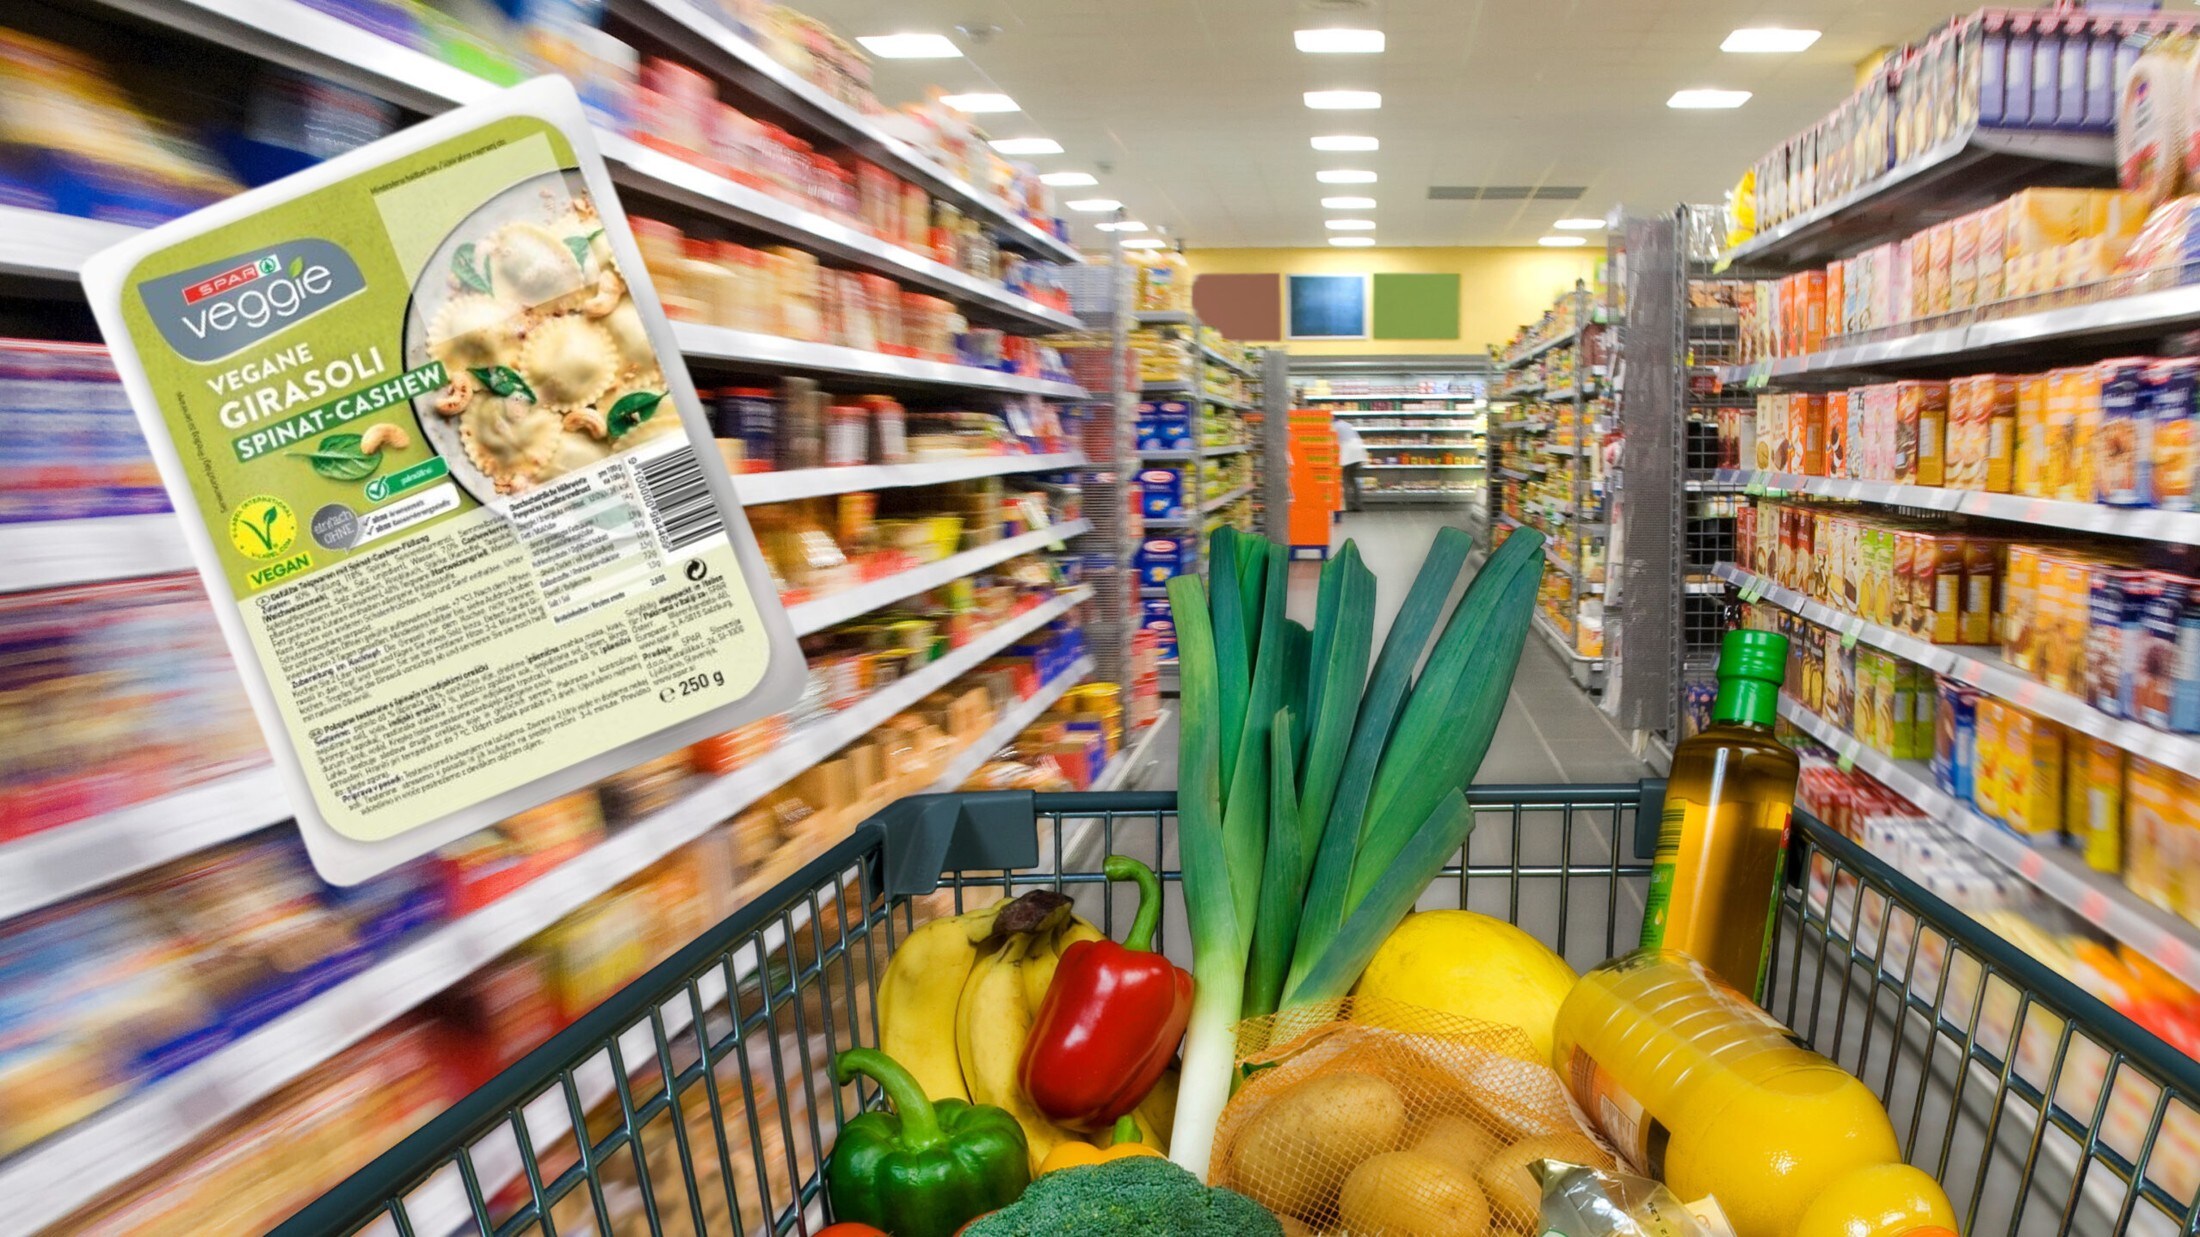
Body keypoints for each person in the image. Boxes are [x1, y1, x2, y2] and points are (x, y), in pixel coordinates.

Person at [1335, 416, 1369, 512]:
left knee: (1344, 478)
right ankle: (1358, 505)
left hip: (1348, 454)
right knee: (1352, 479)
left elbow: (1333, 441)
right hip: (1358, 453)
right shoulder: (1346, 424)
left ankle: (1344, 506)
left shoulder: (1334, 426)